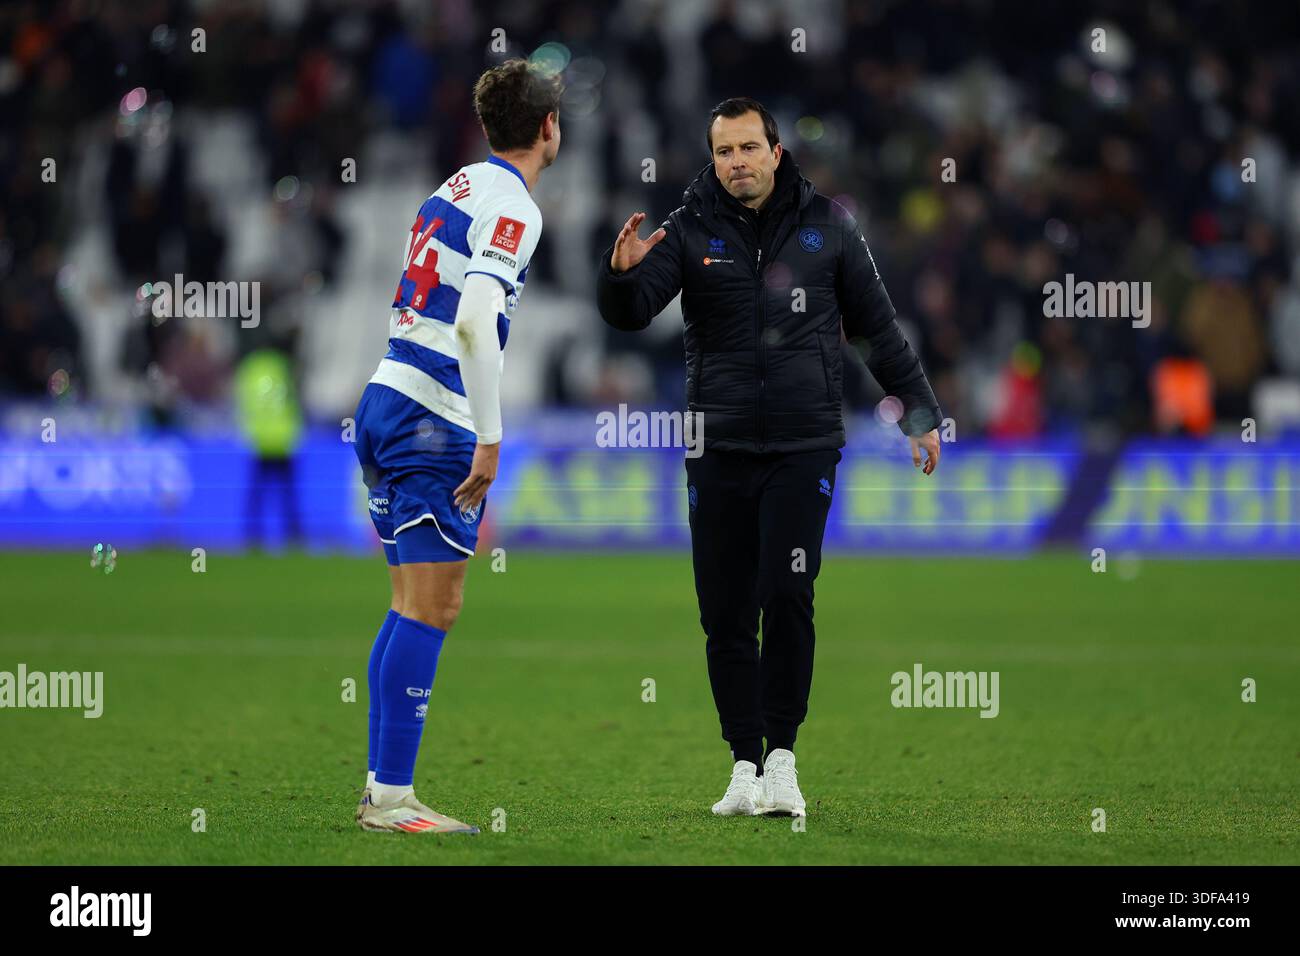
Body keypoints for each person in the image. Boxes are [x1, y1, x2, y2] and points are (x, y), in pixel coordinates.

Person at [596, 97, 941, 817]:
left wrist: (919, 412)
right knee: (723, 613)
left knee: (786, 594)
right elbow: (633, 314)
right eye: (724, 152)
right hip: (715, 448)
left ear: (776, 152)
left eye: (749, 148)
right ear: (713, 158)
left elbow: (875, 326)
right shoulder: (689, 229)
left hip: (802, 443)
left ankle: (782, 758)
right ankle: (743, 764)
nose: (737, 163)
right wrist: (622, 276)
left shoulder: (829, 228)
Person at [351, 58, 561, 833]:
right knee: (435, 608)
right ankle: (394, 800)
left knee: (410, 602)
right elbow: (474, 321)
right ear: (549, 127)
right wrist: (490, 438)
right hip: (433, 418)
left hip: (384, 396)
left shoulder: (453, 189)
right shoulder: (516, 206)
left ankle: (382, 790)